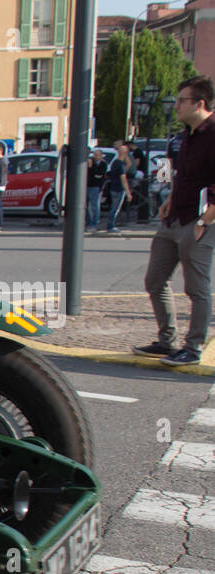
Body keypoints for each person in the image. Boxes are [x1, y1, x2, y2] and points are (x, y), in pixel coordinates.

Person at [135, 76, 215, 367]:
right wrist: (168, 197)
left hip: (200, 221)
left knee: (197, 288)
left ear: (200, 104)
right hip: (173, 218)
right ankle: (166, 340)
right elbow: (171, 171)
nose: (177, 105)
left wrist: (205, 222)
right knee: (155, 279)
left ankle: (192, 348)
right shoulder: (181, 137)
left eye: (182, 100)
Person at [105, 141, 133, 232]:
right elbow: (123, 179)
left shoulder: (115, 163)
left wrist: (124, 154)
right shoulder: (120, 165)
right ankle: (111, 226)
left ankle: (111, 225)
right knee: (115, 208)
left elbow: (129, 165)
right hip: (119, 189)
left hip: (113, 187)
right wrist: (128, 192)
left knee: (114, 207)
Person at [86, 149, 106, 231]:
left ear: (101, 155)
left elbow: (98, 175)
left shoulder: (103, 164)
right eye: (94, 154)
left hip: (95, 186)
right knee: (85, 205)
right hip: (87, 185)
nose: (95, 156)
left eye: (97, 155)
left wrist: (91, 167)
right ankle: (89, 222)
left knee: (94, 205)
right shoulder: (91, 162)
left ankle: (94, 223)